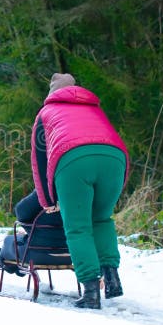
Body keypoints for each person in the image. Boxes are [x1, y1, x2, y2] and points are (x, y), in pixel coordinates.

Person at [31, 73, 130, 309]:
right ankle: (113, 278)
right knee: (102, 219)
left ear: (52, 94)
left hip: (73, 159)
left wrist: (47, 201)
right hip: (116, 159)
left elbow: (40, 161)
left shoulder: (46, 114)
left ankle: (91, 292)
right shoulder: (94, 108)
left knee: (78, 228)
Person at [0, 189, 70, 276]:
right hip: (71, 256)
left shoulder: (47, 189)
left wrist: (30, 227)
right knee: (24, 239)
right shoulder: (82, 189)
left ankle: (6, 262)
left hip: (37, 256)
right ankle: (13, 266)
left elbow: (20, 211)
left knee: (8, 240)